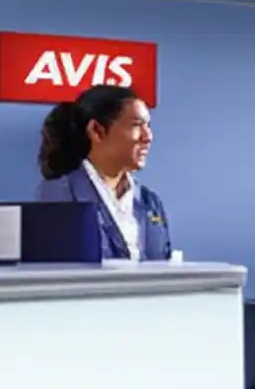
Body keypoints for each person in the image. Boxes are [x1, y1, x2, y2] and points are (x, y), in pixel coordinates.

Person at [35, 85, 172, 262]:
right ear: (97, 131)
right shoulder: (59, 195)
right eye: (136, 125)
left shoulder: (150, 202)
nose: (148, 137)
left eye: (148, 126)